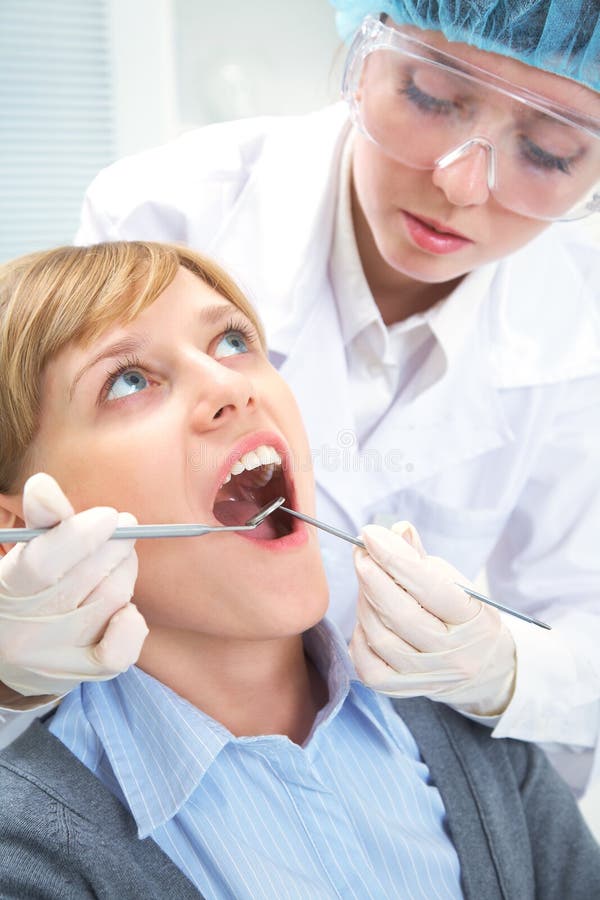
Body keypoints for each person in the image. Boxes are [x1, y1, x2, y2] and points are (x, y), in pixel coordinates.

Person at [2, 1, 600, 793]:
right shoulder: (174, 210)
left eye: (550, 152)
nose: (460, 183)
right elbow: (59, 473)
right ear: (359, 55)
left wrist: (507, 671)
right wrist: (13, 677)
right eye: (427, 96)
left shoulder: (575, 319)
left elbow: (577, 616)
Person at [0, 240, 598, 899]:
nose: (232, 386)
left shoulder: (480, 749)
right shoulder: (25, 852)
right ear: (19, 531)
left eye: (232, 340)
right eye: (129, 381)